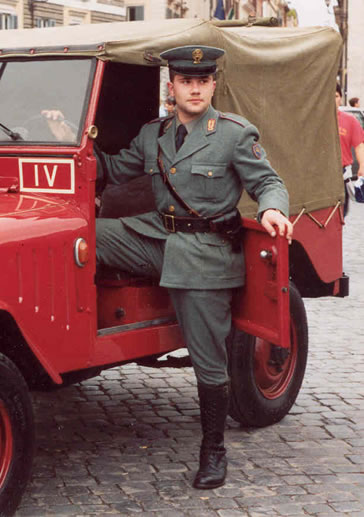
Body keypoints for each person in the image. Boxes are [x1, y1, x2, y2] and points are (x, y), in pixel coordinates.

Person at [94, 46, 292, 490]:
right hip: (155, 236)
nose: (195, 88)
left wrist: (272, 210)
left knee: (209, 361)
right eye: (187, 81)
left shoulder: (234, 134)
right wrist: (72, 142)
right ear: (173, 87)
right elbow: (113, 169)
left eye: (203, 81)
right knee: (82, 239)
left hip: (205, 251)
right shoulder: (154, 134)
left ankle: (213, 450)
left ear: (213, 85)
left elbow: (268, 182)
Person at [336, 84, 364, 214]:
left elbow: (359, 146)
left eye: (336, 96)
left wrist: (362, 165)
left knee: (341, 215)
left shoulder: (350, 121)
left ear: (341, 98)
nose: (332, 99)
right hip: (319, 176)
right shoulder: (315, 120)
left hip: (341, 176)